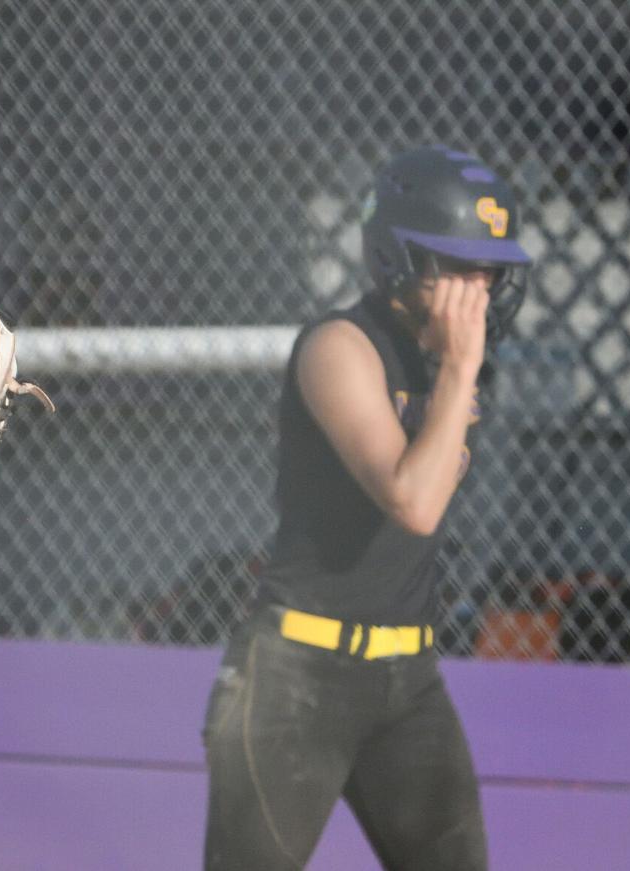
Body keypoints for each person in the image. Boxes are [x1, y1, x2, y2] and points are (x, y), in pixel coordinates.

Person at [201, 145, 532, 871]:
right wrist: (457, 369)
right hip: (296, 674)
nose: (476, 290)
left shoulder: (447, 359)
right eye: (456, 267)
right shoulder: (339, 347)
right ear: (399, 259)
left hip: (407, 677)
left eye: (488, 270)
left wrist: (453, 369)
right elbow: (412, 499)